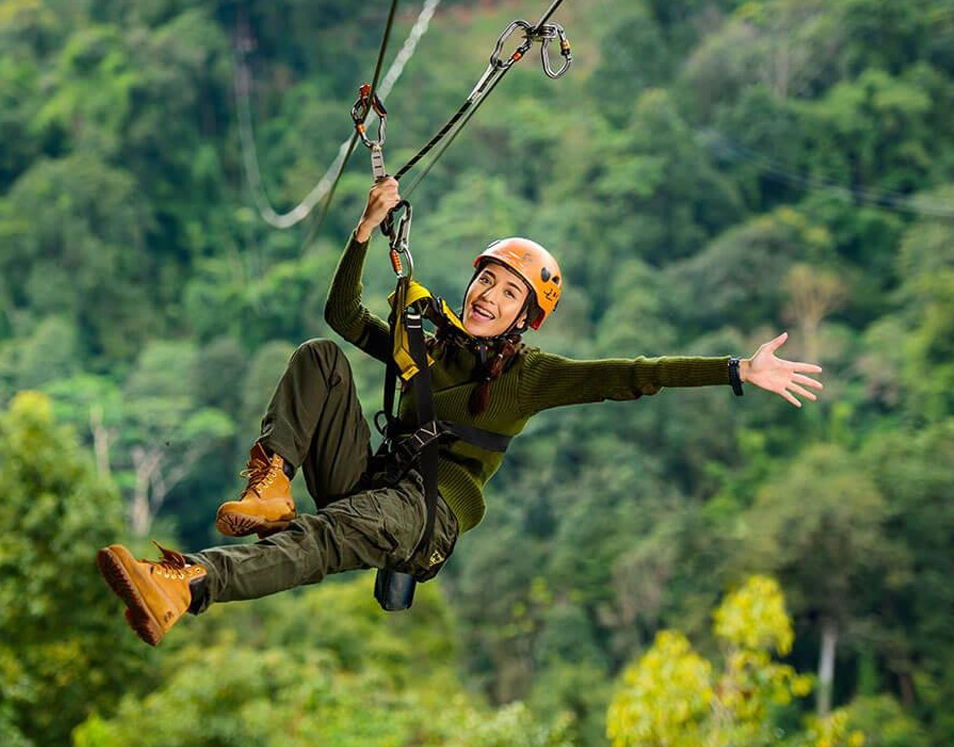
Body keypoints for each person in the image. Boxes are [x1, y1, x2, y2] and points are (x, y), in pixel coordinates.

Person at [96, 178, 824, 647]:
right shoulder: (428, 344)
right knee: (321, 357)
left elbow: (633, 375)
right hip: (372, 480)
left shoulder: (531, 378)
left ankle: (187, 583)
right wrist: (364, 229)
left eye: (509, 294)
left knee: (322, 539)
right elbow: (342, 317)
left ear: (524, 319)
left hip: (424, 514)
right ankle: (270, 485)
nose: (488, 296)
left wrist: (737, 369)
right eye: (487, 280)